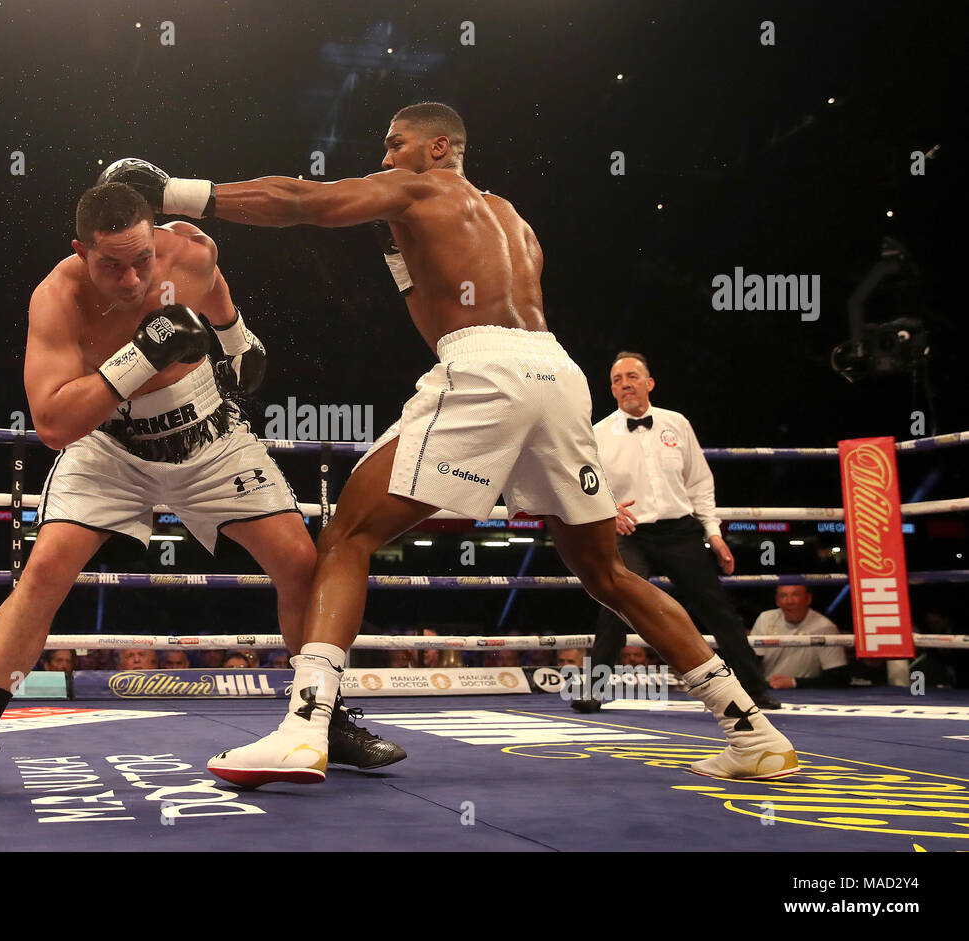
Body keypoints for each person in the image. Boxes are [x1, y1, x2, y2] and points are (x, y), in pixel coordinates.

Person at [120, 100, 798, 784]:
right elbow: (441, 297)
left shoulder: (423, 186)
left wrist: (174, 192)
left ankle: (303, 728)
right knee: (607, 573)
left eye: (396, 144)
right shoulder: (514, 220)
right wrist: (399, 250)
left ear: (440, 146)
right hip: (557, 373)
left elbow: (306, 200)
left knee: (347, 536)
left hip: (485, 366)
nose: (385, 159)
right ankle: (753, 731)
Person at [0, 183, 403, 796]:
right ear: (80, 251)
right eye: (110, 265)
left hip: (209, 436)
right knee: (45, 571)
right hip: (111, 446)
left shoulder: (189, 255)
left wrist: (235, 337)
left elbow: (218, 293)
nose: (130, 280)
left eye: (140, 260)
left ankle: (323, 719)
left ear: (156, 237)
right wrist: (139, 356)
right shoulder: (57, 298)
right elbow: (51, 424)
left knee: (300, 565)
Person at [574, 352, 779, 711]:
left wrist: (713, 533)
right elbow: (589, 484)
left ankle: (755, 688)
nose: (625, 383)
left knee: (716, 607)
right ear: (611, 389)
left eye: (632, 376)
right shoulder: (599, 433)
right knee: (616, 602)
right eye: (618, 379)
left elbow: (699, 482)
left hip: (680, 531)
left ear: (649, 383)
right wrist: (609, 509)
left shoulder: (677, 423)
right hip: (629, 532)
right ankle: (593, 689)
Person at [749, 586, 848, 688]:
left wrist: (794, 682)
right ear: (777, 601)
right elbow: (752, 662)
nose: (789, 601)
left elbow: (837, 677)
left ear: (808, 599)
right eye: (783, 596)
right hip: (768, 689)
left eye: (795, 595)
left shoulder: (825, 627)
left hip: (808, 693)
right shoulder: (766, 619)